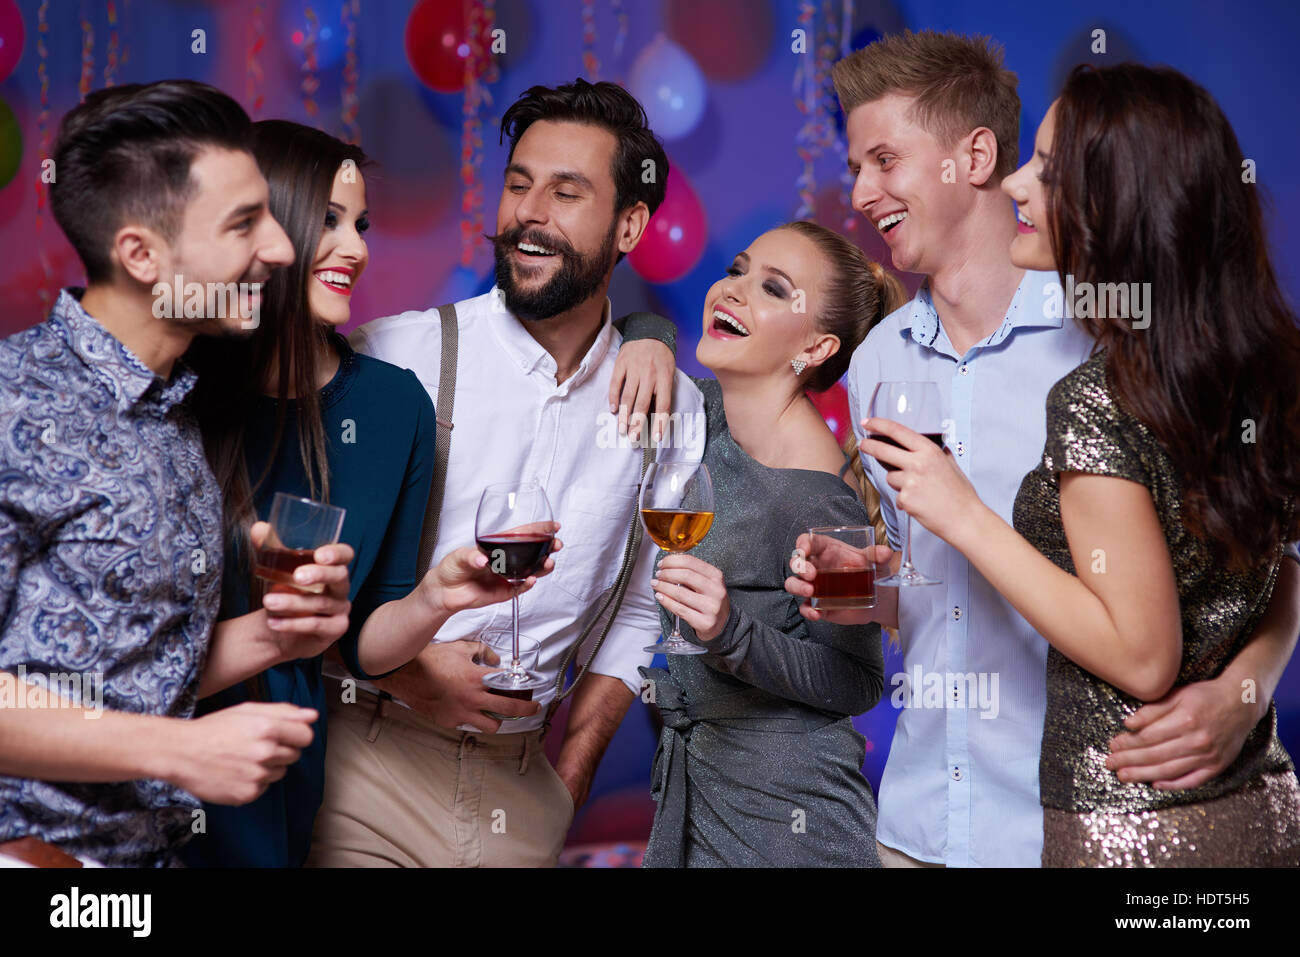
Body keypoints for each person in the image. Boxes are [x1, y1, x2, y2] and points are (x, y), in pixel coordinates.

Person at [786, 29, 1300, 868]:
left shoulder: (1111, 339)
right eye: (853, 168)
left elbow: (1263, 553)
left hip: (1075, 826)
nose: (860, 191)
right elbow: (936, 588)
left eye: (884, 160)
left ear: (975, 155)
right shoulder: (877, 358)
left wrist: (1246, 690)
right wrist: (865, 587)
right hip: (916, 824)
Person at [306, 79, 705, 868]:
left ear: (629, 224)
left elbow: (639, 609)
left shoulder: (671, 401)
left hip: (524, 792)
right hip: (364, 762)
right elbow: (297, 575)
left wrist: (570, 776)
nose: (529, 212)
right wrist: (408, 675)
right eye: (518, 184)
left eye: (566, 192)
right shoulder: (395, 355)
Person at [181, 120, 572, 868]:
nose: (357, 248)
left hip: (283, 777)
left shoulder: (395, 408)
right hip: (156, 767)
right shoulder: (182, 389)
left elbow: (361, 642)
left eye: (360, 224)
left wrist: (437, 596)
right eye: (328, 220)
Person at [0, 81, 359, 867]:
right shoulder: (11, 404)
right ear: (141, 254)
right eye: (243, 223)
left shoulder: (176, 413)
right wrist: (176, 749)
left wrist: (279, 631)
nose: (282, 248)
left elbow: (141, 668)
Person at [621, 222, 898, 867]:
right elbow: (627, 346)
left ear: (814, 347)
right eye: (738, 269)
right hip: (697, 791)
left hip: (786, 818)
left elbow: (857, 682)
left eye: (771, 289)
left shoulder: (820, 499)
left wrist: (730, 633)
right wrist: (649, 335)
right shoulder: (701, 414)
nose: (733, 291)